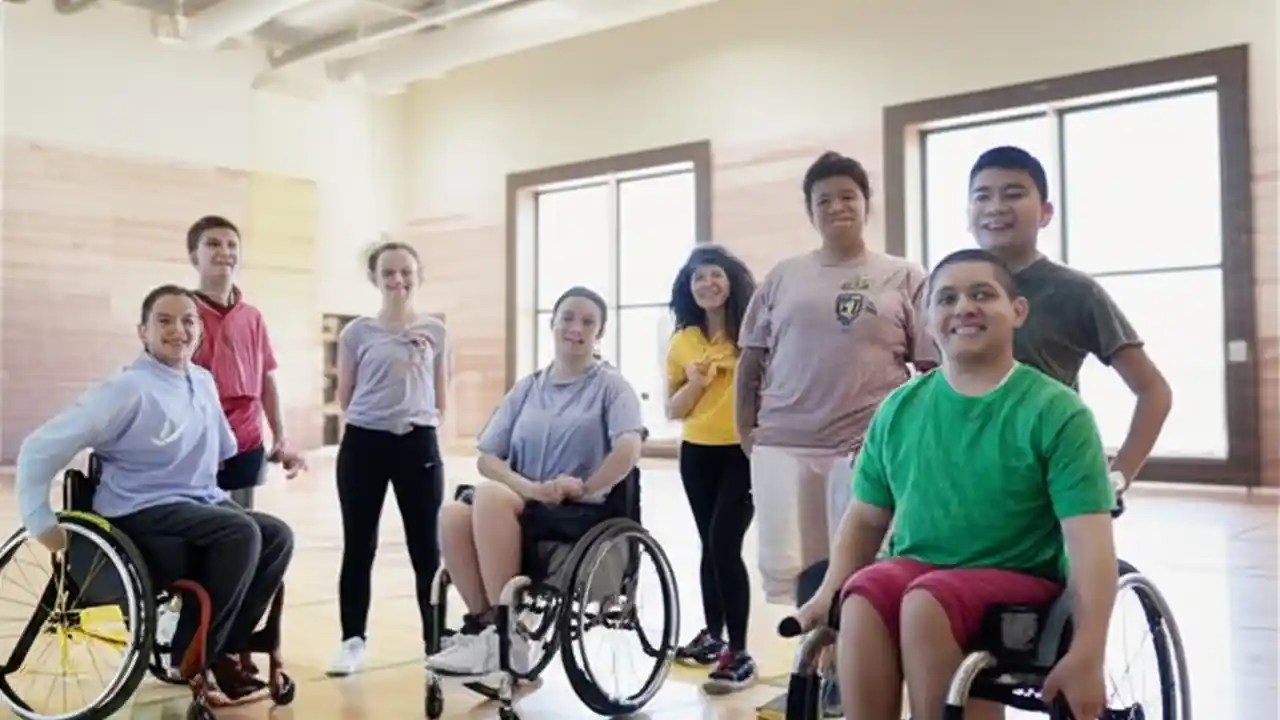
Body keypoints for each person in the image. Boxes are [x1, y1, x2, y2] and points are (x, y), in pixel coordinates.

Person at [790, 249, 1118, 720]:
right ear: (927, 320)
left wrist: (1089, 653)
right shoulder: (900, 408)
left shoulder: (1057, 412)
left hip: (1020, 575)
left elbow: (1090, 545)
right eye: (946, 299)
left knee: (927, 601)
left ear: (1018, 311)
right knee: (863, 591)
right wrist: (829, 593)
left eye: (982, 294)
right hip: (922, 568)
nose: (964, 307)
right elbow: (864, 517)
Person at [15, 284, 295, 706]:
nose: (177, 330)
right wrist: (39, 520)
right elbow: (40, 447)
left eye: (188, 321)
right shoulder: (126, 389)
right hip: (137, 509)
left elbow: (222, 449)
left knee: (276, 534)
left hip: (194, 502)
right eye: (164, 321)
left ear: (199, 332)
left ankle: (225, 647)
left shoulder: (200, 381)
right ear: (143, 331)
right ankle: (191, 654)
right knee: (239, 531)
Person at [735, 150, 939, 608]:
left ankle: (847, 668)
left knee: (861, 566)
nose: (837, 207)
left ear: (867, 204)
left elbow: (929, 371)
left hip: (864, 445)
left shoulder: (904, 275)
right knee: (788, 573)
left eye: (848, 197)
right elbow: (750, 361)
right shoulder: (784, 275)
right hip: (784, 441)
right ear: (811, 211)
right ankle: (805, 667)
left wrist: (913, 443)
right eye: (823, 200)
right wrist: (747, 433)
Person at [425, 286, 646, 677]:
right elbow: (488, 457)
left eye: (587, 321)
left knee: (491, 498)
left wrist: (588, 485)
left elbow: (628, 449)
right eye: (568, 318)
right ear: (553, 323)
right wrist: (529, 489)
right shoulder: (528, 388)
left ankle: (509, 638)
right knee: (453, 515)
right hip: (528, 500)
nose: (576, 328)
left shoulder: (612, 387)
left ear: (600, 332)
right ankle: (488, 627)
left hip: (580, 510)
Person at [967, 146, 1172, 489]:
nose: (995, 207)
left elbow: (1154, 391)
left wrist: (1117, 477)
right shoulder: (948, 290)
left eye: (1013, 194)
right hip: (964, 476)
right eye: (982, 196)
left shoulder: (1076, 292)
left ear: (1045, 213)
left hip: (1050, 477)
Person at [326, 241, 450, 676]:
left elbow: (440, 397)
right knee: (360, 546)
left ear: (418, 275)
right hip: (364, 445)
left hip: (418, 444)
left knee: (426, 549)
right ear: (375, 280)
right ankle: (352, 640)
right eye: (389, 274)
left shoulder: (435, 332)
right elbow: (346, 397)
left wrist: (414, 367)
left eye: (405, 272)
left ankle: (435, 641)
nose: (398, 280)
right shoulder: (357, 333)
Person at [664, 244, 759, 693]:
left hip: (742, 452)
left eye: (714, 275)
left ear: (731, 280)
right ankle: (713, 635)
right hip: (697, 453)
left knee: (725, 543)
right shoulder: (682, 341)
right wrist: (697, 384)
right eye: (698, 278)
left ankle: (738, 652)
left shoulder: (753, 333)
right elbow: (674, 408)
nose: (707, 284)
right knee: (709, 544)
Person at [186, 214, 307, 510]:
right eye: (213, 244)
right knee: (201, 527)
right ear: (194, 256)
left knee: (243, 530)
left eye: (231, 245)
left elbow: (266, 379)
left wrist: (280, 436)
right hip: (199, 443)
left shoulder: (252, 317)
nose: (224, 251)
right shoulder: (182, 312)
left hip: (247, 440)